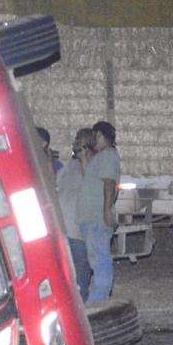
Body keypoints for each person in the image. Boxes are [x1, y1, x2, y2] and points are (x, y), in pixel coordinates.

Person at [77, 120, 121, 303]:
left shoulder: (109, 155)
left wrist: (106, 211)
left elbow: (109, 183)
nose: (94, 141)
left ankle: (98, 302)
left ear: (102, 136)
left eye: (95, 136)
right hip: (92, 218)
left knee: (101, 262)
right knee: (96, 261)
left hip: (97, 218)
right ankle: (97, 301)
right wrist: (84, 156)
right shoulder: (101, 157)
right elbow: (88, 175)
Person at [56, 127, 94, 300]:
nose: (77, 144)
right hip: (69, 229)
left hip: (74, 229)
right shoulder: (71, 166)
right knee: (73, 276)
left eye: (80, 141)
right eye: (77, 141)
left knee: (78, 275)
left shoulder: (89, 166)